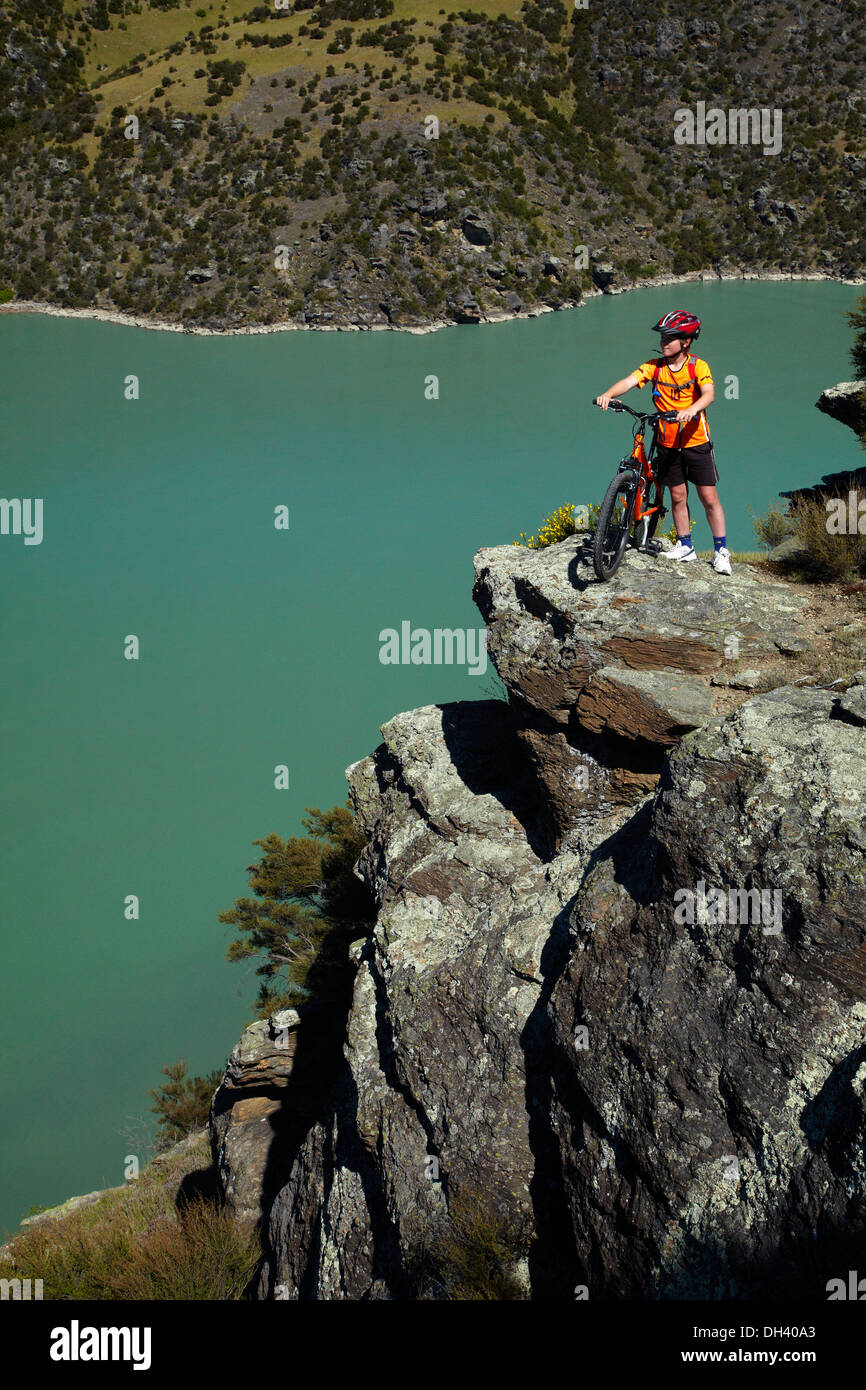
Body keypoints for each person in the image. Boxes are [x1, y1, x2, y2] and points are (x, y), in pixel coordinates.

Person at [594, 310, 731, 574]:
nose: (664, 342)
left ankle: (720, 550)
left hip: (695, 441)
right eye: (662, 337)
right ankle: (685, 545)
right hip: (667, 442)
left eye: (671, 338)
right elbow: (629, 381)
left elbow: (709, 394)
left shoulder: (697, 366)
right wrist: (608, 394)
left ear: (686, 341)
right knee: (678, 496)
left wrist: (692, 409)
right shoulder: (654, 366)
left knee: (708, 497)